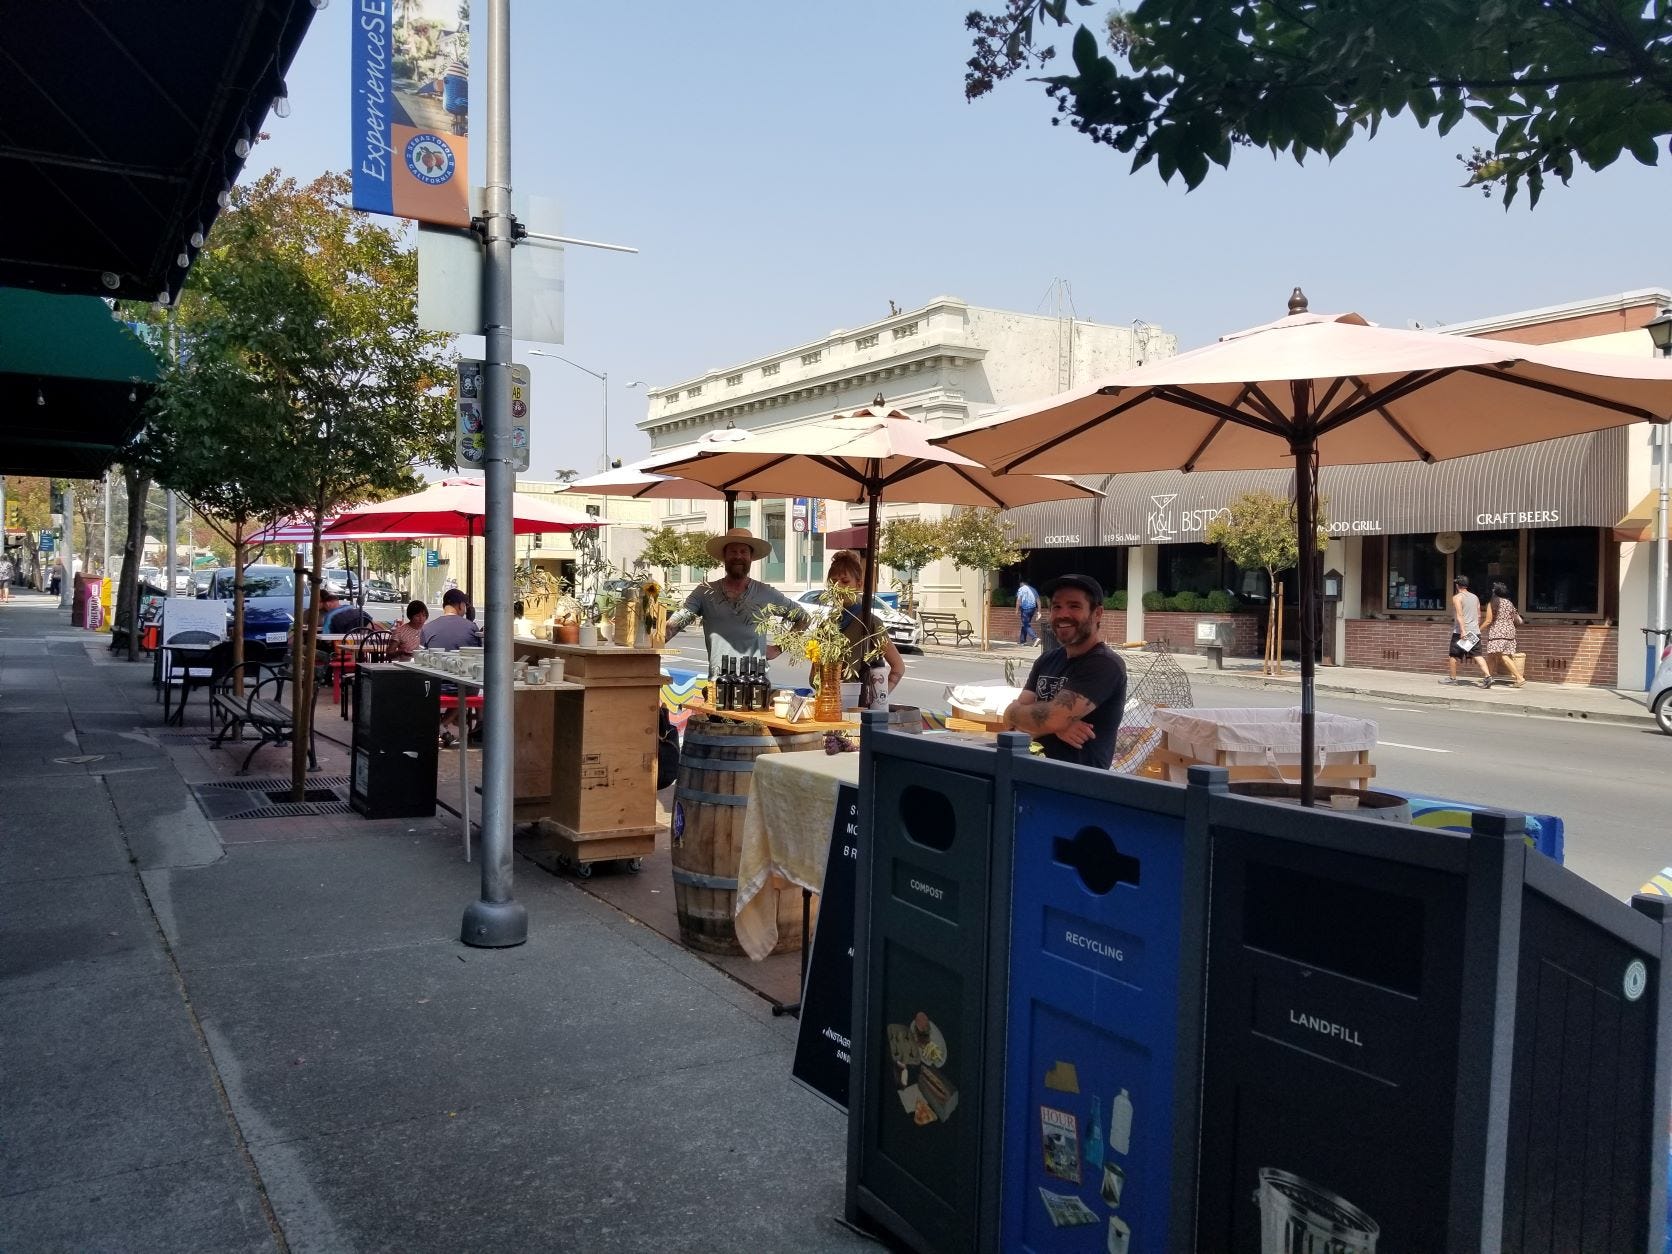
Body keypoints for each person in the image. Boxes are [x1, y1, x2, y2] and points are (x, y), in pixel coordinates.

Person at [1002, 574, 1128, 769]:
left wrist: (1025, 715)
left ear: (1098, 613)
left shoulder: (1104, 664)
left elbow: (1049, 717)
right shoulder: (1046, 660)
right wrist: (1057, 726)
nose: (1062, 614)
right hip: (1031, 774)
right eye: (1057, 606)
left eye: (1074, 606)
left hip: (1078, 785)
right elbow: (1009, 724)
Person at [665, 527, 810, 673]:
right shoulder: (705, 592)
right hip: (719, 683)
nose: (738, 556)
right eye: (733, 552)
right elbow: (674, 624)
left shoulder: (766, 593)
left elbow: (803, 617)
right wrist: (649, 639)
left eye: (743, 552)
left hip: (756, 683)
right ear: (724, 556)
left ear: (751, 557)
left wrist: (779, 648)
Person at [814, 549, 905, 707]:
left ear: (859, 584)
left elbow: (898, 667)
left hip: (860, 709)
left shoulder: (870, 623)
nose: (838, 588)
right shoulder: (827, 624)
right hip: (829, 706)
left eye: (844, 581)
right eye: (833, 582)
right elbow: (814, 675)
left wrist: (879, 697)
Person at [421, 589, 482, 746]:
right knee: (472, 686)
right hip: (462, 688)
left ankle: (445, 725)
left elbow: (420, 657)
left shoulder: (427, 628)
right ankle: (471, 726)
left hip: (433, 687)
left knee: (458, 684)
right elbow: (479, 658)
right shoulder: (471, 628)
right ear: (461, 605)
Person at [1445, 574, 1492, 687]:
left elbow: (1460, 615)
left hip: (1461, 632)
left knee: (1454, 655)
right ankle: (1488, 677)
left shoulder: (1457, 597)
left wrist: (1463, 631)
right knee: (1477, 654)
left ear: (1457, 585)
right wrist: (1475, 627)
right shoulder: (1475, 597)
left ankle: (1453, 679)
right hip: (1474, 631)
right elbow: (1479, 615)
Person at [1481, 579, 1526, 688]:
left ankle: (1519, 677)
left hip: (1498, 632)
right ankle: (1488, 677)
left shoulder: (1492, 603)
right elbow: (1515, 617)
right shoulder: (1509, 602)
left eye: (1493, 589)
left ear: (1495, 591)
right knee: (1492, 655)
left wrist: (1479, 629)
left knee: (1503, 656)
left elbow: (1488, 620)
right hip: (1509, 631)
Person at [1016, 579, 1039, 645]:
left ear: (1022, 583)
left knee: (1026, 624)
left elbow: (1018, 600)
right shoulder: (1033, 589)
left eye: (1020, 584)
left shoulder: (1021, 589)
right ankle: (1022, 641)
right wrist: (1039, 611)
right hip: (1033, 609)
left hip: (1025, 609)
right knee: (1025, 624)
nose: (1020, 585)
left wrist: (1016, 610)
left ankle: (1035, 638)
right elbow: (1038, 600)